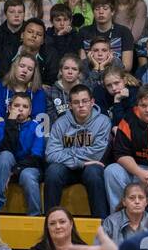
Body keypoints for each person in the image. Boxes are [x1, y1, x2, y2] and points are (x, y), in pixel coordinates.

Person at [45, 84, 111, 218]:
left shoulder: (103, 122)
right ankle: (50, 219)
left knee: (94, 172)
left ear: (92, 102)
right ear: (70, 105)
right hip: (68, 168)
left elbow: (96, 153)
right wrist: (79, 162)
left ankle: (101, 223)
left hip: (90, 167)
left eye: (85, 101)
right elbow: (51, 154)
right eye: (76, 102)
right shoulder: (60, 123)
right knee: (53, 171)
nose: (81, 105)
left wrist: (66, 153)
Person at [0, 90, 46, 215]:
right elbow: (6, 148)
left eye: (25, 107)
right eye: (16, 106)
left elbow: (36, 156)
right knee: (5, 155)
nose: (20, 109)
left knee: (27, 175)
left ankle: (35, 215)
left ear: (30, 111)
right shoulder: (2, 125)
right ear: (9, 108)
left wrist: (16, 170)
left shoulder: (37, 127)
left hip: (30, 166)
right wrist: (11, 122)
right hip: (7, 164)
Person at [99, 179, 148, 244]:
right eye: (132, 198)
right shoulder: (111, 222)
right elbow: (99, 247)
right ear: (124, 202)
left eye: (141, 197)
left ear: (146, 202)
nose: (137, 202)